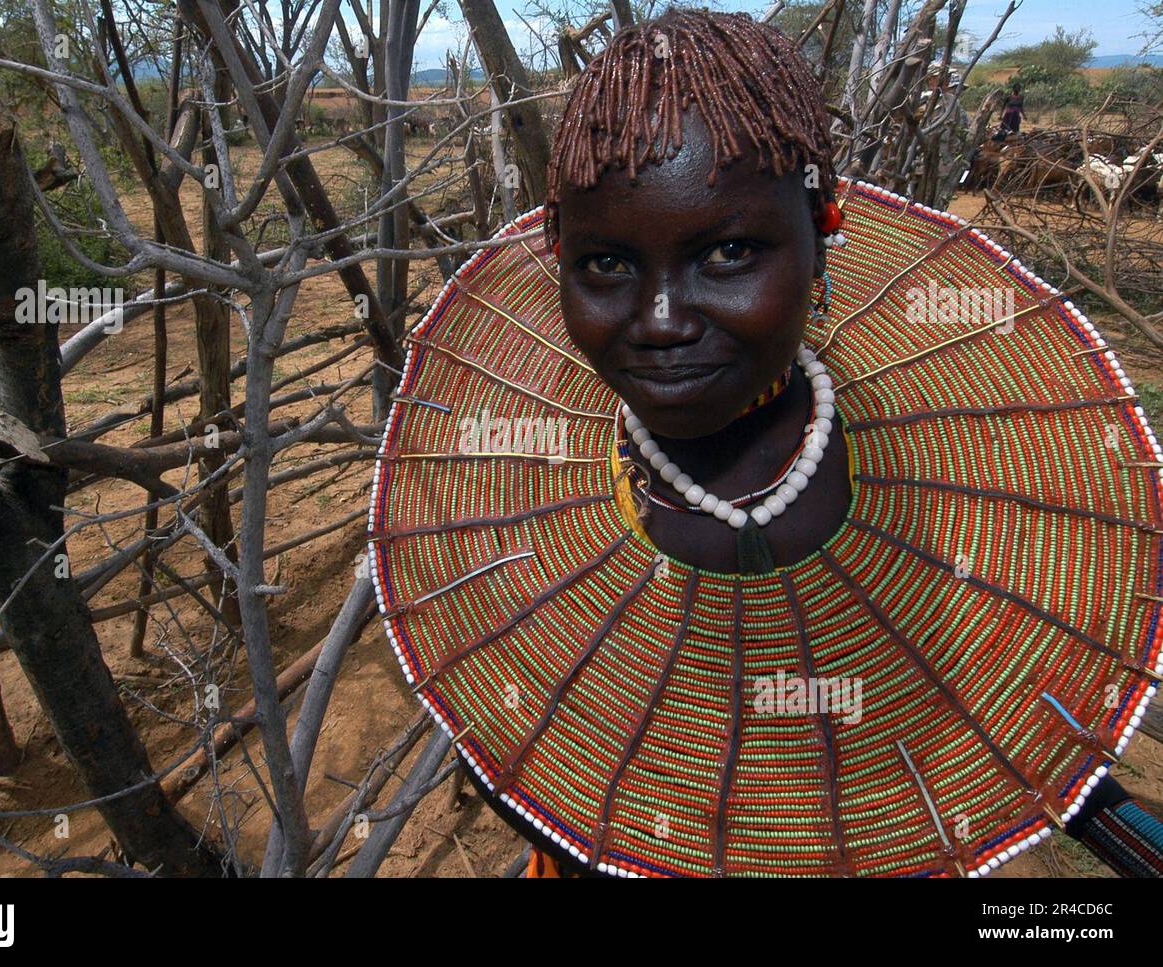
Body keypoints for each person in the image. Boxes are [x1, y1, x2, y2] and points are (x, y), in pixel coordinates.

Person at [368, 9, 1163, 877]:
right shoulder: (495, 528)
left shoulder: (993, 513)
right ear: (558, 256)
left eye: (731, 251)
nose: (662, 322)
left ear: (820, 244)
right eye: (605, 264)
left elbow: (1001, 724)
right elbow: (527, 765)